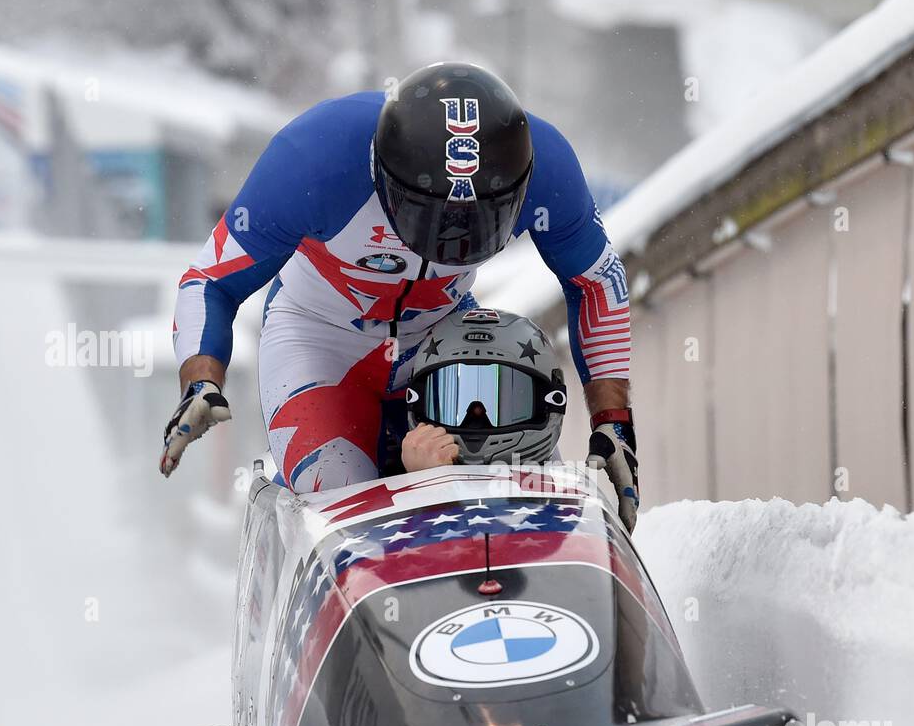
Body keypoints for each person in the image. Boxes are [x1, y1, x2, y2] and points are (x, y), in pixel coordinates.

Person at [158, 61, 640, 530]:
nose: (454, 240)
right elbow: (210, 280)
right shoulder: (313, 158)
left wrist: (614, 423)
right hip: (319, 337)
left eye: (479, 221)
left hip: (441, 339)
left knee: (519, 487)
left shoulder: (547, 165)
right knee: (342, 505)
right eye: (431, 215)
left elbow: (597, 281)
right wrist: (201, 378)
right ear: (384, 176)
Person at [399, 307, 567, 473]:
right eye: (459, 396)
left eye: (500, 400)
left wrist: (423, 482)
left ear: (548, 403)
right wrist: (418, 475)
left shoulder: (561, 491)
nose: (477, 413)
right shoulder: (564, 493)